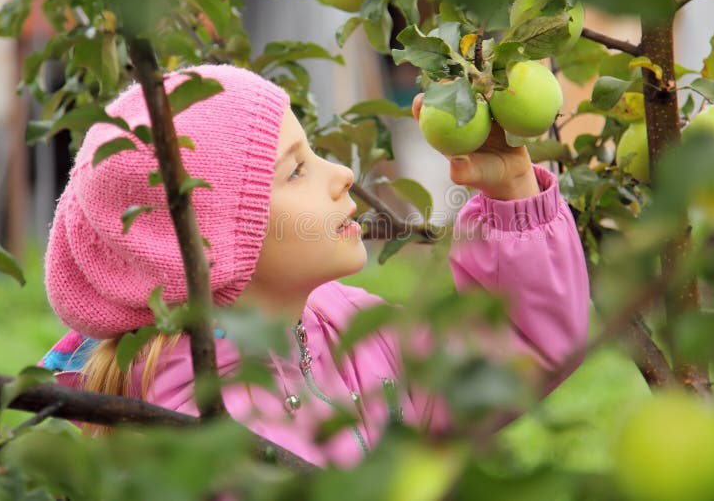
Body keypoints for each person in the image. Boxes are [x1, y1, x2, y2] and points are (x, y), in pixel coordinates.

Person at [40, 64, 590, 468]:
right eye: (296, 170)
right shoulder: (204, 434)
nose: (341, 174)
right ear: (207, 245)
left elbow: (512, 354)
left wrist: (512, 189)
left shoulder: (340, 326)